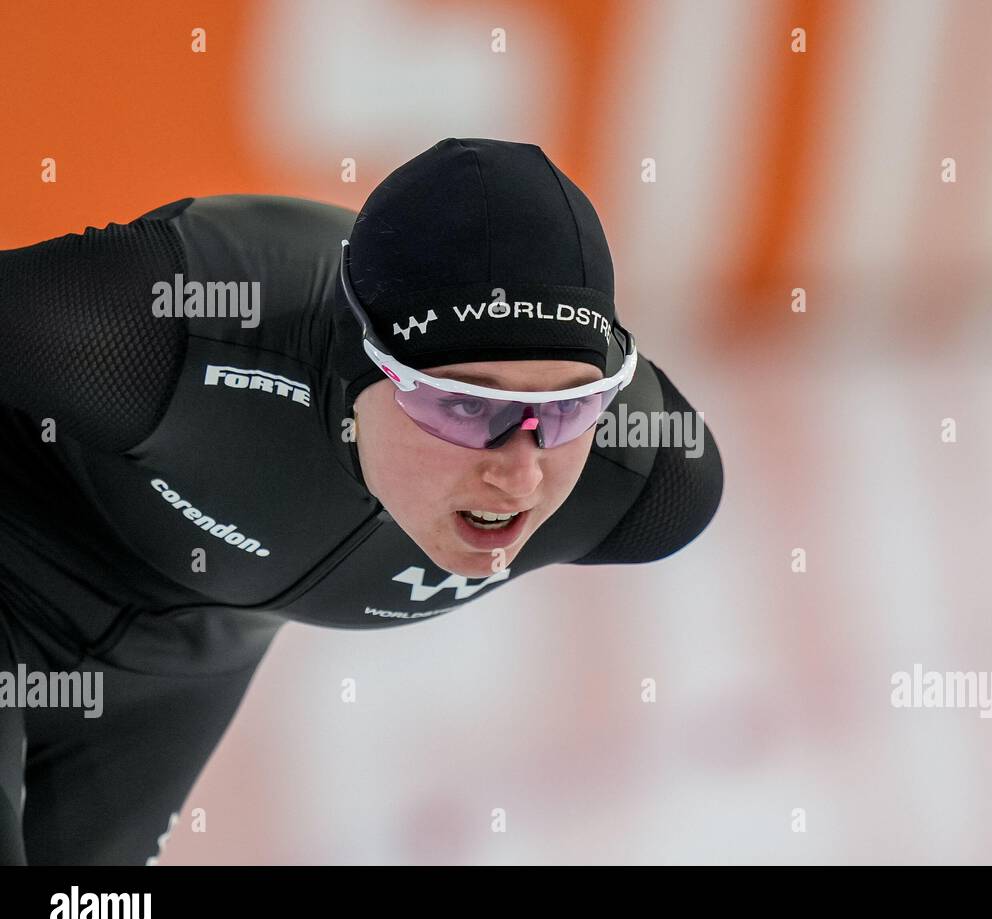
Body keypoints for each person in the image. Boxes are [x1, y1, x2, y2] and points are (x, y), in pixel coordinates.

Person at [0, 137, 724, 864]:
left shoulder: (643, 478)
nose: (521, 476)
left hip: (188, 661)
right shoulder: (160, 330)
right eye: (466, 409)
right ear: (356, 369)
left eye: (569, 408)